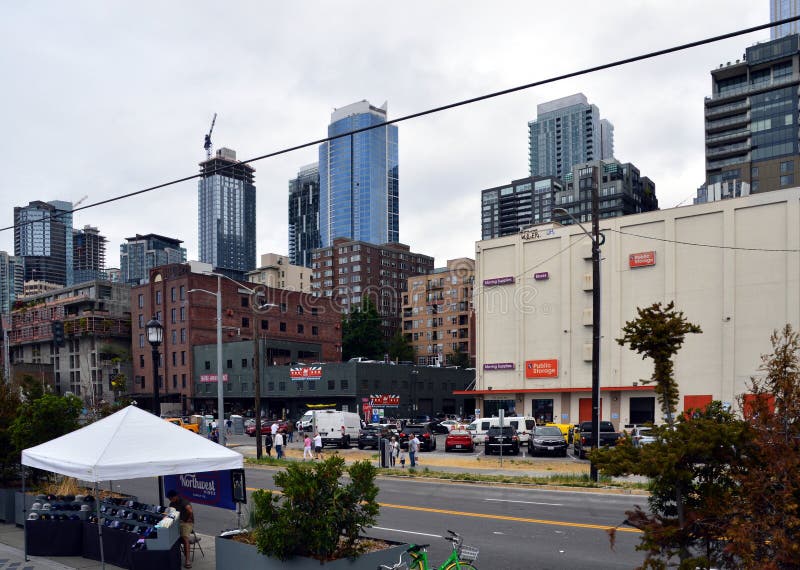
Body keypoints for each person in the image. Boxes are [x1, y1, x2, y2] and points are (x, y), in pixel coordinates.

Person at [166, 489, 194, 568]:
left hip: (186, 522)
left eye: (171, 498)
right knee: (168, 533)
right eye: (169, 499)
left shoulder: (183, 502)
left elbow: (190, 511)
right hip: (177, 521)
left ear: (176, 496)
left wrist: (188, 519)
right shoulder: (172, 503)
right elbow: (170, 513)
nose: (170, 500)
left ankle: (187, 560)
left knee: (185, 537)